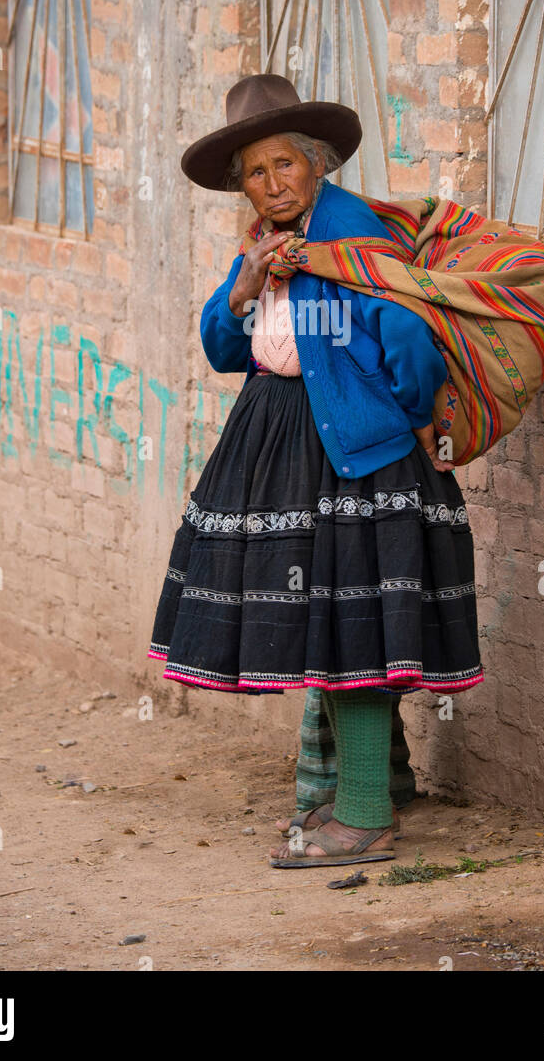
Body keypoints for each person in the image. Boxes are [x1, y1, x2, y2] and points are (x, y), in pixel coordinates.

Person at [148, 74, 484, 867]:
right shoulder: (265, 246)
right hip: (278, 446)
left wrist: (395, 423)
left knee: (351, 626)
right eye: (255, 174)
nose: (270, 185)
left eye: (283, 167)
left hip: (356, 456)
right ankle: (371, 788)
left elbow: (404, 338)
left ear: (316, 162)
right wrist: (243, 287)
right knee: (319, 625)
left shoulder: (348, 236)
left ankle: (365, 815)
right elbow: (225, 350)